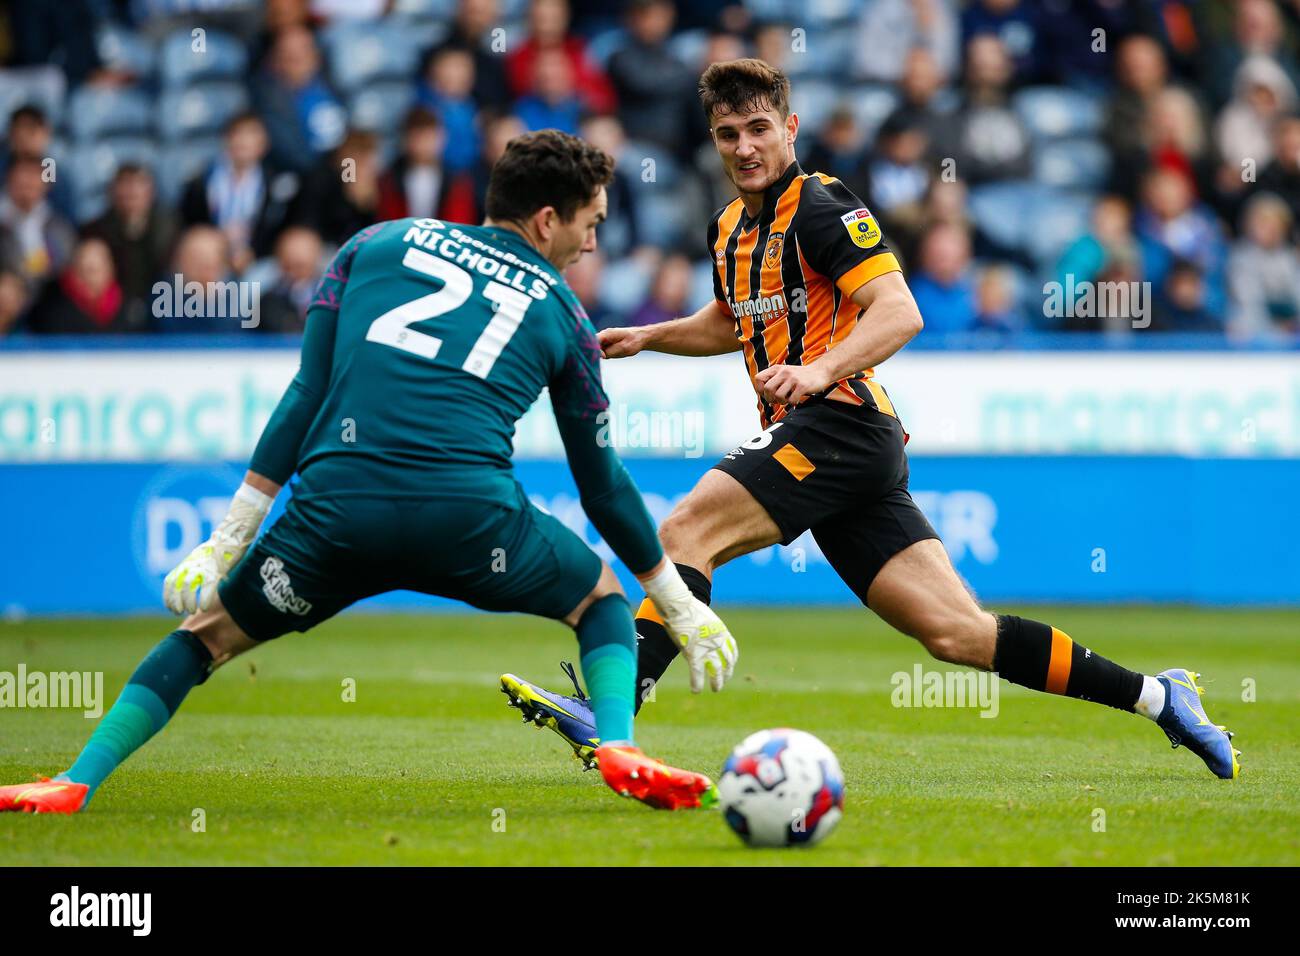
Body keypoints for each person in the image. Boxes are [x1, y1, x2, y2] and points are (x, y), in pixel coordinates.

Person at [501, 59, 1241, 783]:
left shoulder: (822, 207)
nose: (745, 147)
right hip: (839, 448)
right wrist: (650, 336)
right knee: (958, 633)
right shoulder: (728, 226)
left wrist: (819, 370)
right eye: (728, 134)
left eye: (759, 128)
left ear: (790, 127)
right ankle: (1160, 695)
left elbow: (899, 310)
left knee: (687, 529)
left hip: (839, 422)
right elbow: (735, 321)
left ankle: (613, 706)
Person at [0, 130, 735, 816]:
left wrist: (227, 541)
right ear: (547, 221)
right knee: (601, 600)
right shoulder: (565, 316)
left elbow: (305, 397)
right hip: (470, 520)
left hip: (335, 515)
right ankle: (617, 746)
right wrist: (675, 603)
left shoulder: (372, 245)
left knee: (202, 638)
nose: (594, 241)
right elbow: (601, 484)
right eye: (590, 223)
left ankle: (73, 782)